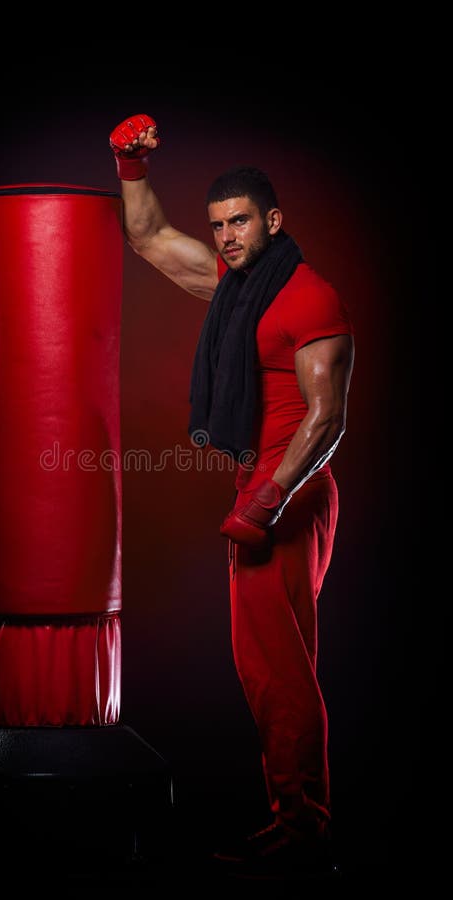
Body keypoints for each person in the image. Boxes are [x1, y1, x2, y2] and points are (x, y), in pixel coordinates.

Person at [109, 114, 355, 876]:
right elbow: (149, 239)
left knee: (272, 671)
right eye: (217, 225)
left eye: (239, 220)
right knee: (279, 667)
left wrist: (264, 503)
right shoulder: (235, 288)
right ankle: (300, 825)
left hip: (288, 497)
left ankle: (301, 834)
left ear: (271, 220)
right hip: (265, 491)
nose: (224, 236)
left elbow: (328, 417)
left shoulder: (308, 298)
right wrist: (129, 167)